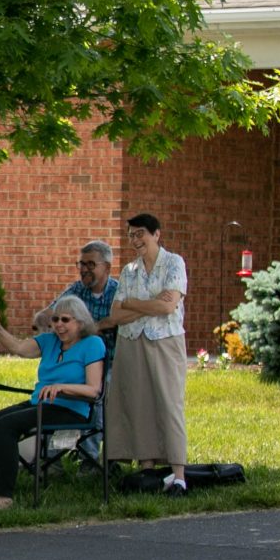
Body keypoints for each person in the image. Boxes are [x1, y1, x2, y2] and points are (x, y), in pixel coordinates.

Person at [0, 298, 107, 508]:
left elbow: (94, 390)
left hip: (72, 408)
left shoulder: (92, 344)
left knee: (6, 426)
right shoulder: (50, 341)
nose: (58, 324)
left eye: (65, 320)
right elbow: (19, 347)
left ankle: (4, 497)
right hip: (41, 403)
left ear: (80, 322)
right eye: (55, 319)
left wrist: (62, 387)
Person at [109, 212, 191, 494]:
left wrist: (132, 303)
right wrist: (148, 304)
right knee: (139, 404)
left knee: (169, 404)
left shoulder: (174, 263)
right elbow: (116, 315)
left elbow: (168, 307)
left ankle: (179, 475)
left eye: (140, 233)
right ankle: (147, 469)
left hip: (165, 341)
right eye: (131, 235)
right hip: (131, 341)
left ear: (156, 234)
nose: (135, 240)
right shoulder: (128, 271)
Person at [44, 239, 121, 358]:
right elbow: (50, 312)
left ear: (107, 267)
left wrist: (101, 325)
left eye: (90, 264)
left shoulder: (119, 292)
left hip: (112, 362)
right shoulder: (76, 290)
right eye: (82, 264)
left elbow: (126, 318)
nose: (84, 269)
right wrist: (43, 319)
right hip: (79, 362)